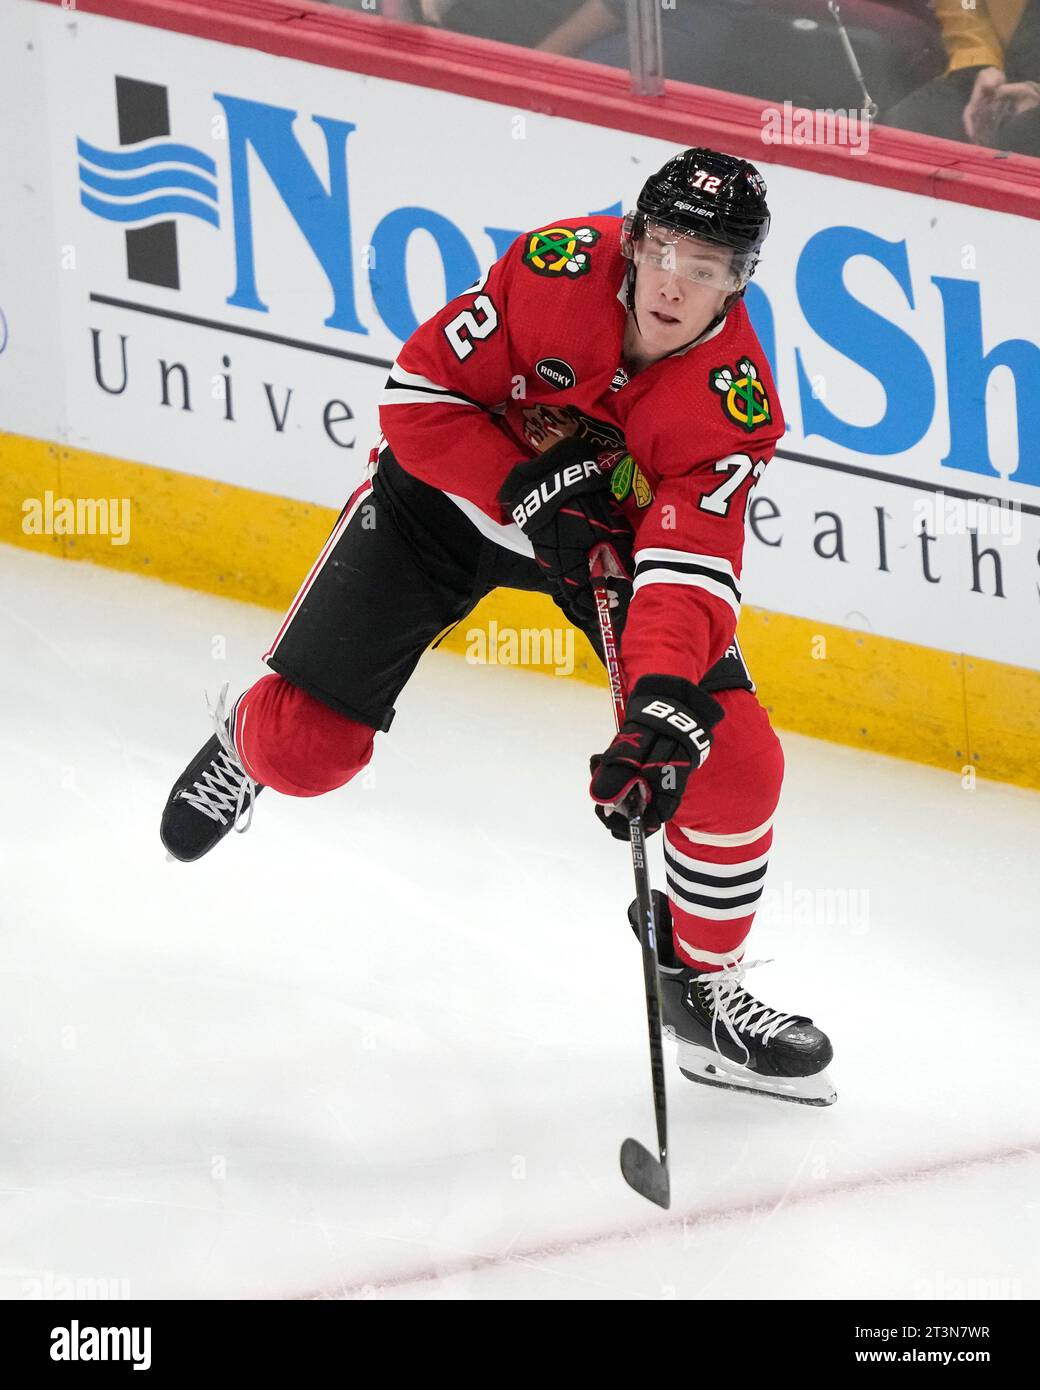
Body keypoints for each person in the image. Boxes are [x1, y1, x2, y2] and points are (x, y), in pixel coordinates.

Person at [160, 148, 836, 1107]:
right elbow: (416, 398)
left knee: (730, 761)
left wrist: (656, 709)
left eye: (711, 267)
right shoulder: (554, 268)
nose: (678, 285)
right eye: (669, 252)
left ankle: (697, 986)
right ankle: (245, 743)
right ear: (635, 240)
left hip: (595, 545)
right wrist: (523, 488)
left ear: (742, 281)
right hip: (444, 503)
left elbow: (687, 573)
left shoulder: (734, 404)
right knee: (308, 750)